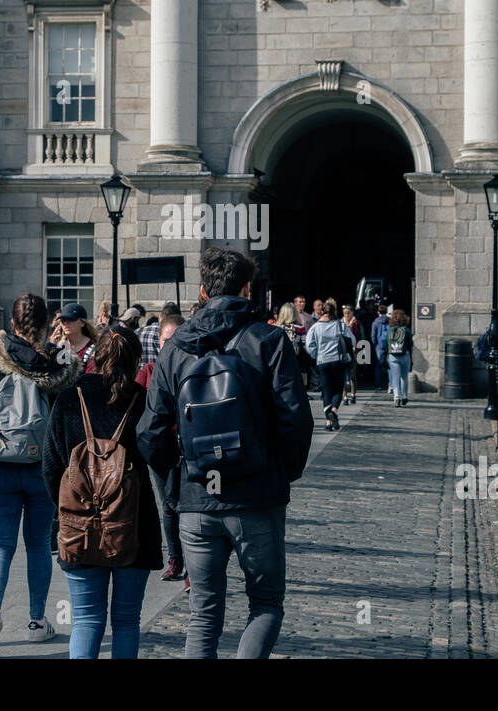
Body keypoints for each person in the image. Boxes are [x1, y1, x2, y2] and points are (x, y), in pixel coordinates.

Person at [138, 247, 314, 659]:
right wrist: (280, 472)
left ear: (202, 291)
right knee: (266, 604)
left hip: (198, 497)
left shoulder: (176, 346)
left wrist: (179, 479)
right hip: (256, 495)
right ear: (248, 289)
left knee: (203, 613)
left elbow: (149, 431)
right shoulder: (268, 339)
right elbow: (296, 420)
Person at [0, 294, 82, 659]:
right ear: (49, 319)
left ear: (13, 322)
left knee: (0, 544)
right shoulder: (55, 361)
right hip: (41, 467)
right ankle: (36, 621)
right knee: (37, 545)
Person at [43, 325, 161, 659]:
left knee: (86, 620)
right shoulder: (143, 402)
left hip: (79, 530)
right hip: (133, 525)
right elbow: (162, 458)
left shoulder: (69, 398)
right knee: (126, 621)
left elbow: (52, 469)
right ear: (137, 360)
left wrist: (73, 510)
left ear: (96, 356)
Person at [136, 313, 185, 583]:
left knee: (189, 507)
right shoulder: (149, 372)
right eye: (168, 340)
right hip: (160, 448)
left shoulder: (192, 367)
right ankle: (175, 559)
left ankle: (194, 567)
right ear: (158, 341)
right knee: (168, 504)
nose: (173, 345)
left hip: (188, 447)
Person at [305, 299, 355, 431]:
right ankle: (333, 411)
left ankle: (328, 422)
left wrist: (317, 356)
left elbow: (309, 345)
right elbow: (353, 340)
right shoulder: (340, 325)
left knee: (326, 391)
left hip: (323, 361)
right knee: (338, 389)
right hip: (338, 361)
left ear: (322, 312)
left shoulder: (315, 327)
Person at [54, 302, 97, 369]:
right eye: (63, 320)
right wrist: (52, 349)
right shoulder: (59, 346)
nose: (65, 323)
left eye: (70, 319)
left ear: (82, 323)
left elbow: (90, 377)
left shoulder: (92, 349)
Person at [386, 309, 413, 407]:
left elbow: (385, 343)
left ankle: (396, 397)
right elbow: (411, 344)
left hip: (393, 356)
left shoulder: (390, 330)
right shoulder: (406, 330)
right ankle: (404, 396)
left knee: (395, 377)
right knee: (404, 377)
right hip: (404, 355)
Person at [293, 295, 316, 390]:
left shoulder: (308, 317)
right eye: (300, 302)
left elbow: (312, 330)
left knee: (305, 368)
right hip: (294, 344)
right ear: (295, 303)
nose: (302, 304)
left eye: (304, 302)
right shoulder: (292, 316)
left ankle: (305, 387)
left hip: (304, 344)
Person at [341, 304, 362, 405]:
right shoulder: (340, 323)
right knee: (343, 375)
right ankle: (344, 396)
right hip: (343, 351)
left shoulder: (357, 323)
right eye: (345, 313)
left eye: (348, 313)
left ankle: (353, 395)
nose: (346, 315)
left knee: (353, 375)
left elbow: (360, 337)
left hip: (354, 351)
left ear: (352, 312)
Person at [371, 304, 391, 394]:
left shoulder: (375, 322)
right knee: (389, 366)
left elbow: (373, 336)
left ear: (378, 312)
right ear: (386, 312)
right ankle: (391, 385)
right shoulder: (390, 321)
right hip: (390, 346)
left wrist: (375, 345)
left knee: (378, 367)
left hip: (379, 346)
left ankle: (378, 386)